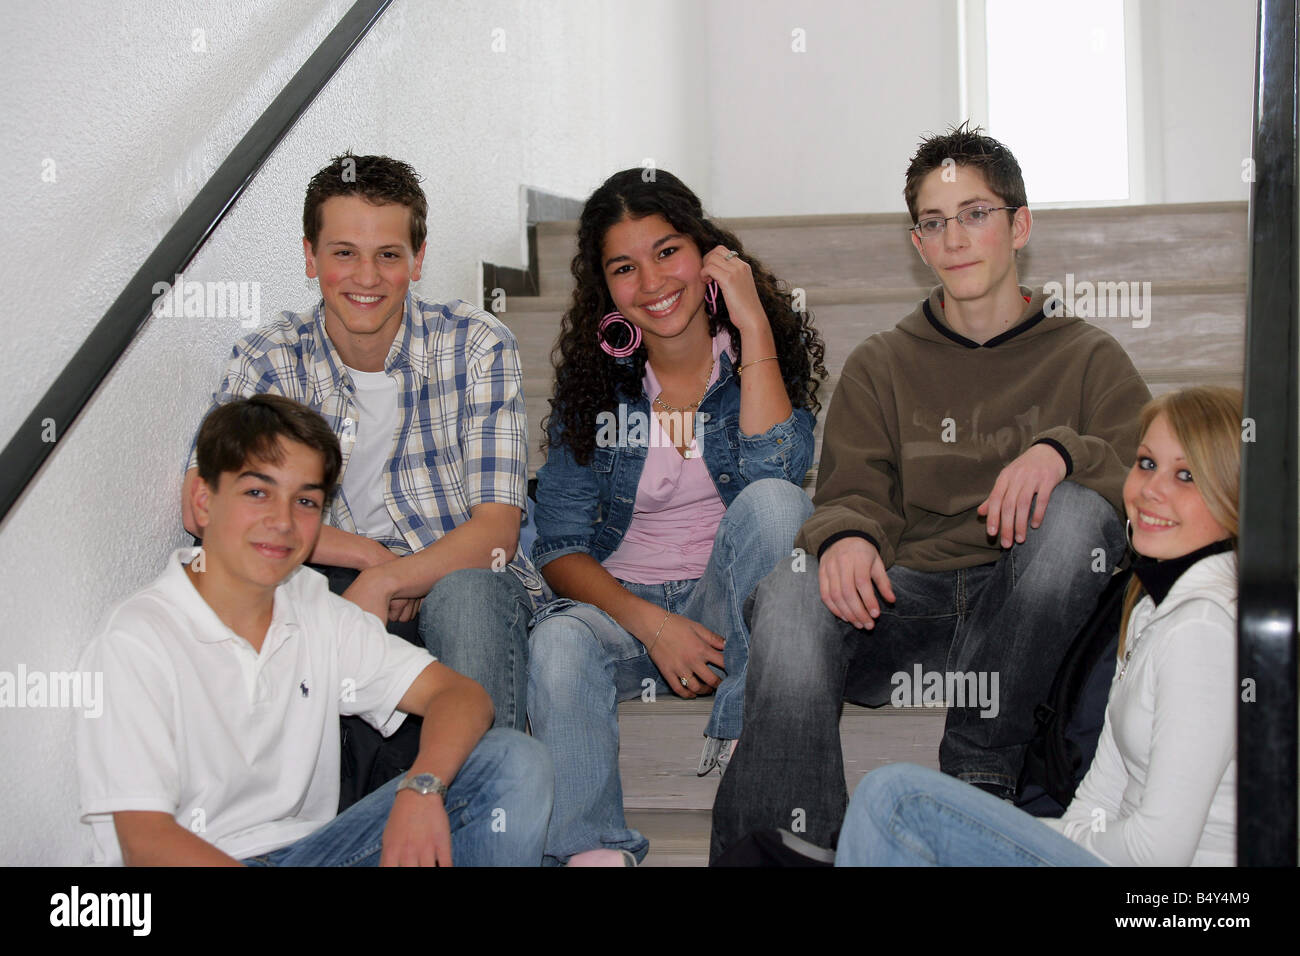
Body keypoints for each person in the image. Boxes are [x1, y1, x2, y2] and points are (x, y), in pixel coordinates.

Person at [711, 124, 1152, 860]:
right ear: (918, 244)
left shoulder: (1087, 356)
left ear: (1020, 225)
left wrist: (1060, 452)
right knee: (792, 586)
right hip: (905, 606)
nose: (955, 237)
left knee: (1075, 516)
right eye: (935, 222)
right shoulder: (882, 362)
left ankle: (979, 775)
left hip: (1031, 617)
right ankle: (788, 840)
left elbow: (1155, 480)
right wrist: (847, 534)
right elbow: (853, 491)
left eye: (976, 214)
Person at [181, 154, 541, 804]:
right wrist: (364, 558)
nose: (367, 277)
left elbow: (496, 534)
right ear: (310, 256)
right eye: (344, 253)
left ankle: (486, 815)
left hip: (456, 581)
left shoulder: (477, 344)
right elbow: (213, 512)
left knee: (468, 593)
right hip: (326, 584)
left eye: (389, 255)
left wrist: (390, 576)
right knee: (288, 599)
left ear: (419, 258)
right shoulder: (267, 360)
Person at [79, 395, 552, 866]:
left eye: (304, 501)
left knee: (512, 764)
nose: (282, 521)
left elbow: (461, 696)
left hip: (313, 854)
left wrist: (421, 787)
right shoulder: (139, 638)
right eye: (257, 492)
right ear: (204, 502)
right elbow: (145, 842)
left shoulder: (311, 607)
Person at [527, 168, 826, 865]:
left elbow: (776, 486)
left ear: (705, 253)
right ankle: (592, 852)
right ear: (607, 290)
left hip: (727, 611)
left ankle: (746, 741)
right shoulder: (596, 391)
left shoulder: (750, 361)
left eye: (668, 252)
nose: (653, 281)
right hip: (625, 614)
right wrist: (653, 624)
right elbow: (560, 547)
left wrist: (751, 320)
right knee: (557, 644)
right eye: (624, 267)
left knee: (779, 504)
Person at [836, 386, 1241, 866]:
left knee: (897, 800)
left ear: (1234, 495)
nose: (1153, 489)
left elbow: (1158, 852)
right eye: (1148, 463)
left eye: (1187, 476)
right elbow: (1098, 800)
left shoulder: (1204, 629)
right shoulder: (1151, 605)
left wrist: (1011, 840)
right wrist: (1021, 839)